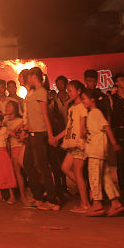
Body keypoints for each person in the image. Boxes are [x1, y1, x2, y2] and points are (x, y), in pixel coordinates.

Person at [20, 67, 61, 210]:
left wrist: (50, 135)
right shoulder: (32, 93)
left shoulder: (42, 92)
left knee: (43, 166)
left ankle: (52, 199)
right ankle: (38, 195)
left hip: (40, 133)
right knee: (27, 163)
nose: (27, 80)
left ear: (33, 77)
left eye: (29, 77)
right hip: (31, 134)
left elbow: (45, 115)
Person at [81, 87, 123, 216]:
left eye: (84, 99)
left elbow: (107, 127)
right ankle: (115, 203)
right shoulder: (92, 114)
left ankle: (97, 204)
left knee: (94, 177)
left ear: (92, 100)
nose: (83, 102)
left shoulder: (95, 113)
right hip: (99, 151)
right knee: (105, 177)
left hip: (95, 151)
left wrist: (114, 143)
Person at [52, 79, 90, 213]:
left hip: (79, 143)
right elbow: (69, 127)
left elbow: (83, 125)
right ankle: (85, 190)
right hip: (71, 142)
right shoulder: (72, 107)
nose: (69, 93)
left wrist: (83, 138)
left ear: (79, 91)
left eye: (71, 90)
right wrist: (57, 137)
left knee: (78, 173)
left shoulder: (82, 107)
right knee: (65, 168)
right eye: (68, 91)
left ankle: (85, 204)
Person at [2, 100, 29, 203]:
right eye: (7, 106)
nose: (8, 108)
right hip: (10, 148)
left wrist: (12, 133)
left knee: (18, 171)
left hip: (18, 147)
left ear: (15, 108)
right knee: (13, 172)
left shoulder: (20, 121)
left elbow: (21, 137)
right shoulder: (5, 122)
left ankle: (22, 195)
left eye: (10, 106)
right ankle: (17, 194)